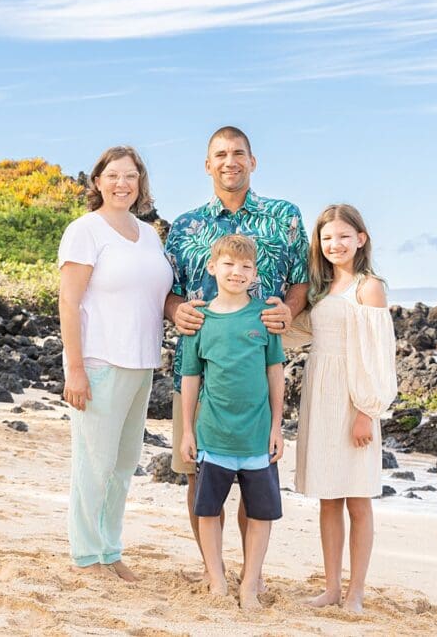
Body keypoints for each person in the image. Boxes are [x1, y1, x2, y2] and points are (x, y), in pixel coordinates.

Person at [164, 126, 309, 582]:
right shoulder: (185, 225)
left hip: (255, 371)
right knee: (197, 474)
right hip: (197, 369)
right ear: (208, 165)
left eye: (238, 153)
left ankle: (252, 572)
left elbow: (302, 281)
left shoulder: (283, 216)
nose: (230, 161)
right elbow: (166, 291)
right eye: (220, 155)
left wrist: (290, 309)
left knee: (253, 477)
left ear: (253, 161)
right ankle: (213, 570)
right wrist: (175, 311)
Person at [58, 145, 174, 582]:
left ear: (140, 183)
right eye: (113, 175)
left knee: (124, 465)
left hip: (142, 363)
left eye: (131, 176)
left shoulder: (149, 235)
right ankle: (87, 554)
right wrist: (75, 368)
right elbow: (69, 302)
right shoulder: (85, 230)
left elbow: (155, 297)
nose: (122, 183)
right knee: (94, 463)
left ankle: (110, 549)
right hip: (100, 360)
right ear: (98, 181)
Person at [293, 203, 397, 614]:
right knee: (328, 498)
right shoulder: (320, 290)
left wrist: (366, 411)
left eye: (342, 236)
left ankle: (356, 592)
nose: (334, 244)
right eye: (326, 237)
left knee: (358, 499)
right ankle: (331, 587)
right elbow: (300, 333)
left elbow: (377, 356)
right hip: (321, 398)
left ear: (361, 239)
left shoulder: (368, 287)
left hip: (354, 400)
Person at [178, 234, 285, 609]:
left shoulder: (264, 317)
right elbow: (190, 378)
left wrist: (277, 427)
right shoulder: (199, 320)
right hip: (213, 435)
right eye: (228, 264)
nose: (236, 272)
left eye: (245, 267)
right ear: (212, 267)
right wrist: (187, 430)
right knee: (207, 509)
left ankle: (250, 583)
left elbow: (276, 373)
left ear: (255, 272)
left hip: (257, 437)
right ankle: (217, 578)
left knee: (260, 513)